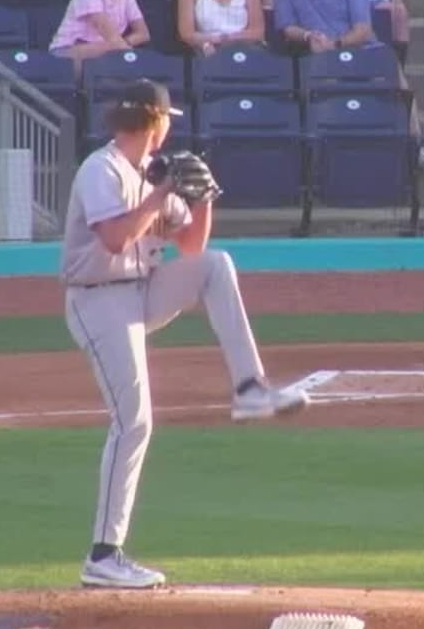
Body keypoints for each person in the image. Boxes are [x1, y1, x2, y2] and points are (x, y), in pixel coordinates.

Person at [63, 79, 309, 589]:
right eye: (166, 120)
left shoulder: (155, 172)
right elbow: (114, 239)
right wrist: (161, 194)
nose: (170, 129)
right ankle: (103, 556)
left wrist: (204, 198)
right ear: (153, 121)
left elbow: (193, 246)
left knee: (216, 265)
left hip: (143, 290)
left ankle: (250, 389)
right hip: (97, 301)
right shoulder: (101, 169)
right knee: (134, 421)